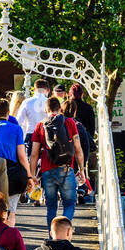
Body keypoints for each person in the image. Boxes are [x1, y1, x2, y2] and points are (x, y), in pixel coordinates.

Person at [31, 95, 87, 229]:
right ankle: (63, 236)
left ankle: (53, 236)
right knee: (69, 204)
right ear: (59, 109)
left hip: (47, 171)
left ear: (46, 110)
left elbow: (34, 154)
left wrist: (32, 175)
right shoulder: (69, 123)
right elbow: (78, 149)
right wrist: (81, 169)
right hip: (66, 169)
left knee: (51, 207)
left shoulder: (40, 125)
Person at [0, 98, 31, 215]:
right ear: (8, 113)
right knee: (11, 212)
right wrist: (29, 176)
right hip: (12, 173)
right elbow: (21, 155)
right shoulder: (16, 129)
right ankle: (9, 232)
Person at [16, 79, 51, 148]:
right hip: (46, 134)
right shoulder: (49, 102)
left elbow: (19, 121)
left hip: (31, 133)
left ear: (34, 89)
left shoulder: (27, 102)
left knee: (30, 158)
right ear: (48, 90)